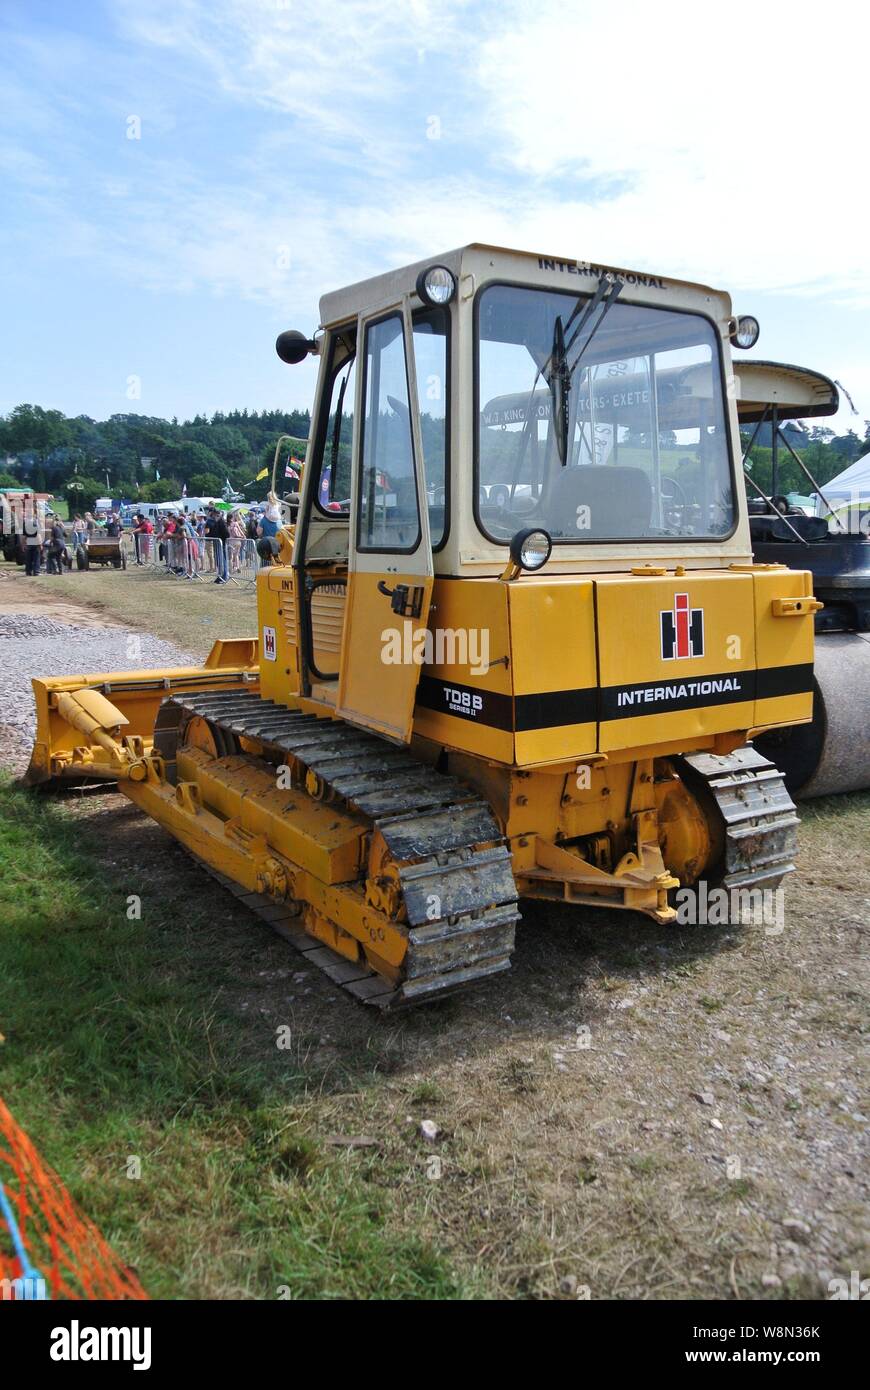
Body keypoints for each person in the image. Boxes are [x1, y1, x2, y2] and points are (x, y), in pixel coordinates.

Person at [205, 506, 229, 583]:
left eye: (215, 514)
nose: (214, 516)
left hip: (221, 544)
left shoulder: (221, 522)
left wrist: (221, 540)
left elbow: (227, 534)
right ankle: (220, 576)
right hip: (217, 543)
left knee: (222, 561)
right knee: (219, 561)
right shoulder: (217, 521)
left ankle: (224, 577)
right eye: (214, 514)